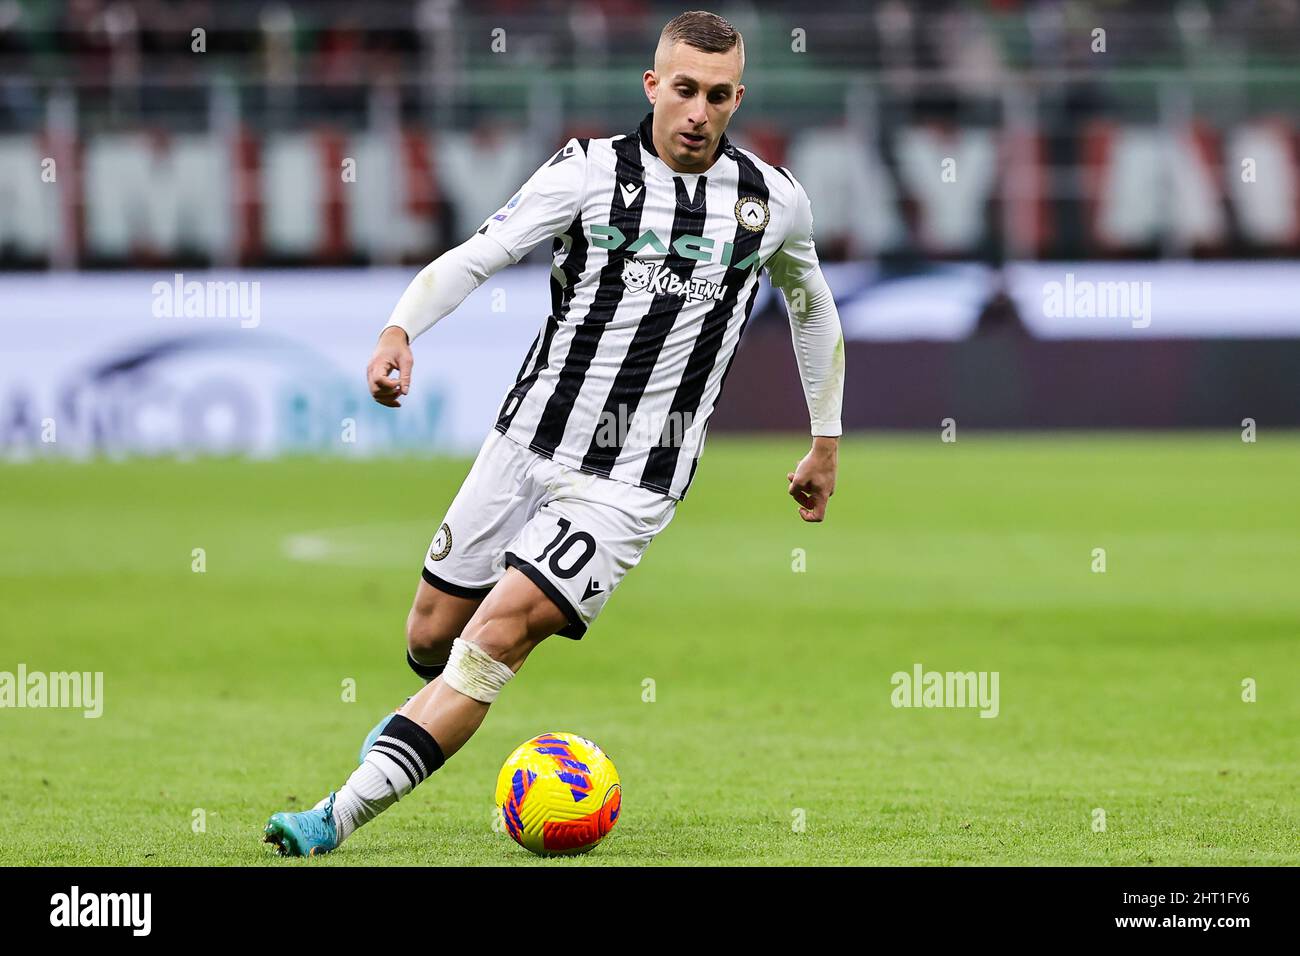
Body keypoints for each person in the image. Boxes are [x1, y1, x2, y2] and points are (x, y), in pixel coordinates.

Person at [263, 9, 844, 856]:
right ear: (652, 85)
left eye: (718, 97)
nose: (698, 112)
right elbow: (478, 255)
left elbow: (812, 305)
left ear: (737, 98)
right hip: (525, 443)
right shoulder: (586, 174)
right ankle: (420, 727)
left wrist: (825, 438)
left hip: (632, 481)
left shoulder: (771, 202)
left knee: (495, 638)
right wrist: (398, 331)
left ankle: (334, 815)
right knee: (432, 635)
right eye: (683, 90)